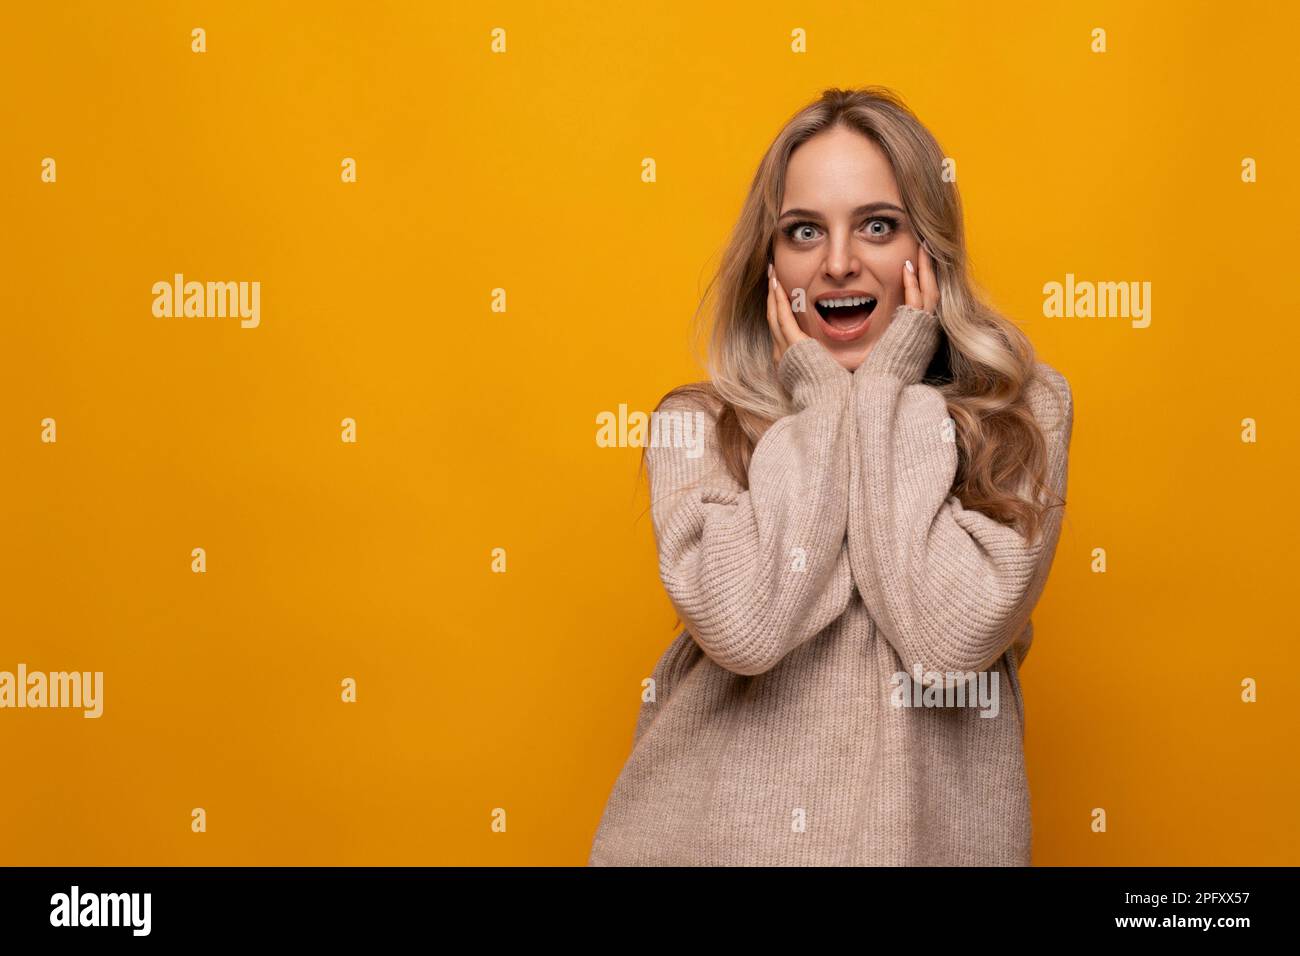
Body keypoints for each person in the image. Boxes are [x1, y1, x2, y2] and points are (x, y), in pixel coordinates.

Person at [589, 86, 1074, 866]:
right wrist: (820, 401)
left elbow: (947, 642)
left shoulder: (1021, 415)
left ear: (930, 249)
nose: (839, 262)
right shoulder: (695, 425)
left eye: (878, 226)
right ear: (770, 262)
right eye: (803, 231)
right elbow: (748, 628)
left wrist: (883, 390)